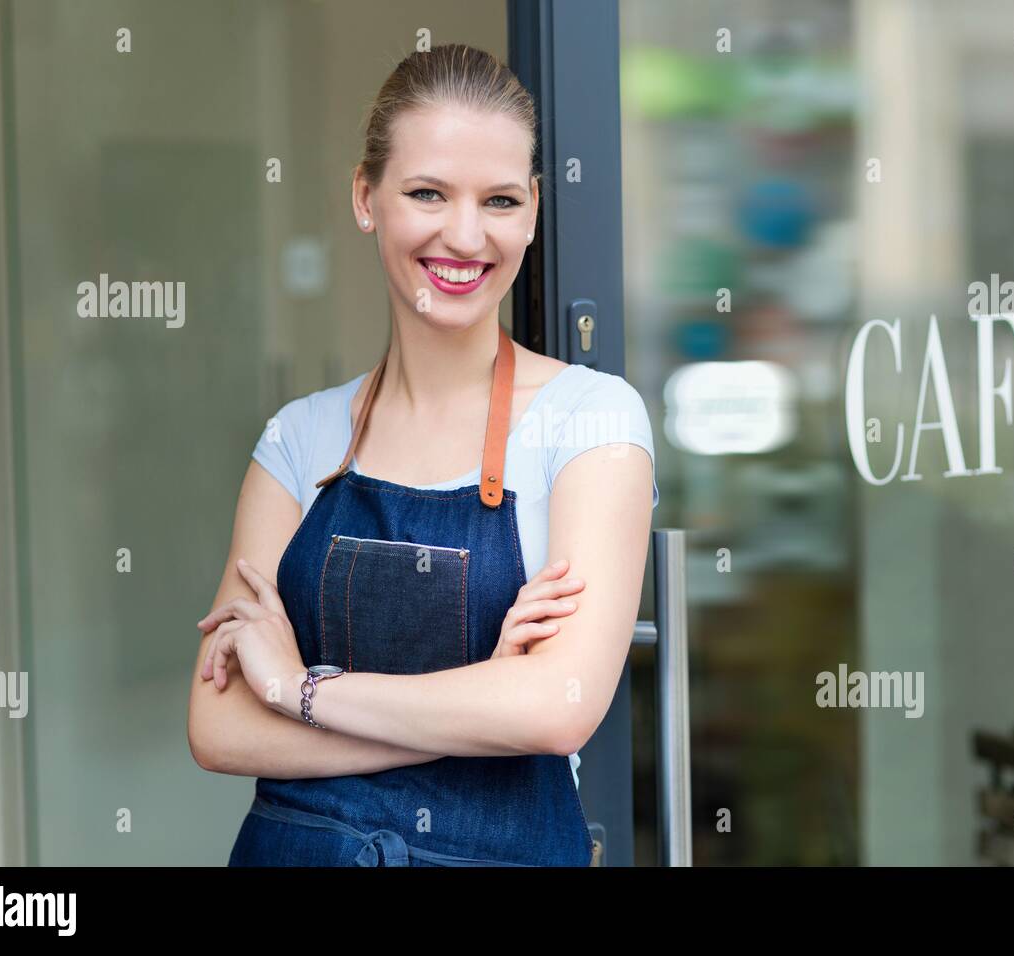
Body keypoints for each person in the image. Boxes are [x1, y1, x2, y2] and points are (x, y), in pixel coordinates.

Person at [186, 43, 659, 867]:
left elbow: (557, 708)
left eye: (500, 199)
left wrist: (296, 688)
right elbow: (218, 724)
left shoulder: (591, 421)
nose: (465, 236)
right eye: (428, 193)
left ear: (533, 212)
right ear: (365, 198)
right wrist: (478, 707)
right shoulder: (300, 439)